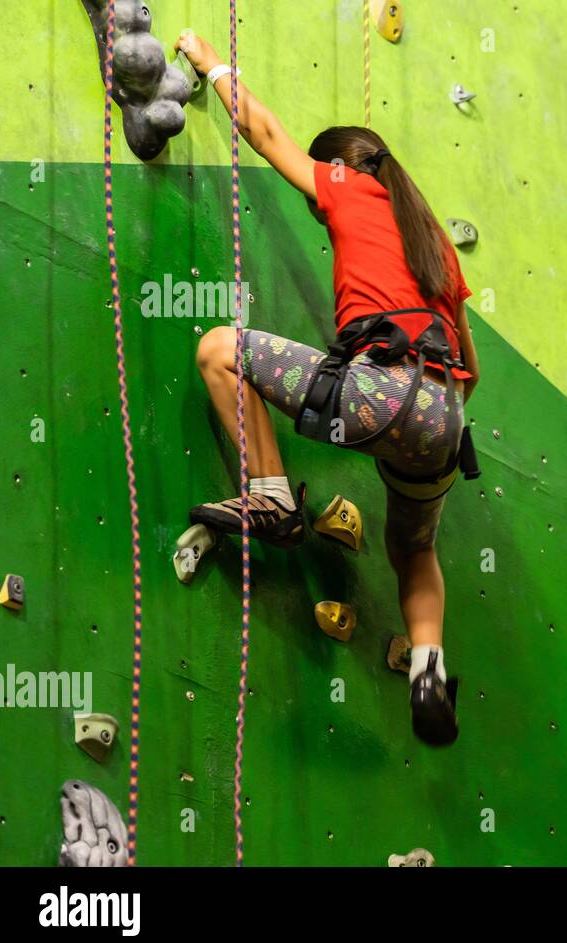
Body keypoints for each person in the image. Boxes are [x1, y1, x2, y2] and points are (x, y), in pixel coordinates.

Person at [175, 32, 479, 746]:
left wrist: (209, 61)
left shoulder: (351, 184)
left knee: (221, 349)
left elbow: (267, 131)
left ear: (339, 165)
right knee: (414, 550)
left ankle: (273, 497)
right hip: (445, 417)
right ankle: (429, 669)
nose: (320, 210)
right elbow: (469, 360)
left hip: (381, 389)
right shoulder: (432, 238)